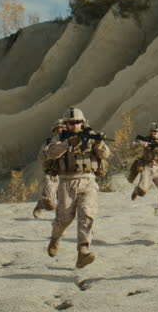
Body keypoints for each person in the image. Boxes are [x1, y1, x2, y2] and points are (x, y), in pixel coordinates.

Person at [41, 107, 111, 268]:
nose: (75, 125)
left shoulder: (91, 137)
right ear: (65, 124)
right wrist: (67, 143)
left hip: (88, 180)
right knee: (64, 219)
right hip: (66, 182)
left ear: (83, 122)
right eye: (71, 123)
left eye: (78, 122)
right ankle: (55, 238)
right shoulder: (59, 138)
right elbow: (51, 153)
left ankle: (83, 250)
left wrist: (100, 144)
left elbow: (106, 155)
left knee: (87, 213)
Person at [131, 122, 158, 215]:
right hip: (147, 167)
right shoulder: (145, 140)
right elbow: (133, 146)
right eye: (152, 131)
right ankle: (136, 190)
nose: (154, 133)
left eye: (156, 131)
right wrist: (142, 144)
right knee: (143, 191)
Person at [33, 119, 65, 218]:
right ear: (54, 131)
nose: (60, 131)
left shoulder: (70, 141)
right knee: (50, 203)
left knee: (66, 202)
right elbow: (41, 157)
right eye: (58, 129)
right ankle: (42, 204)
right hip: (52, 175)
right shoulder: (49, 143)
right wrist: (49, 152)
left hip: (67, 175)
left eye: (63, 129)